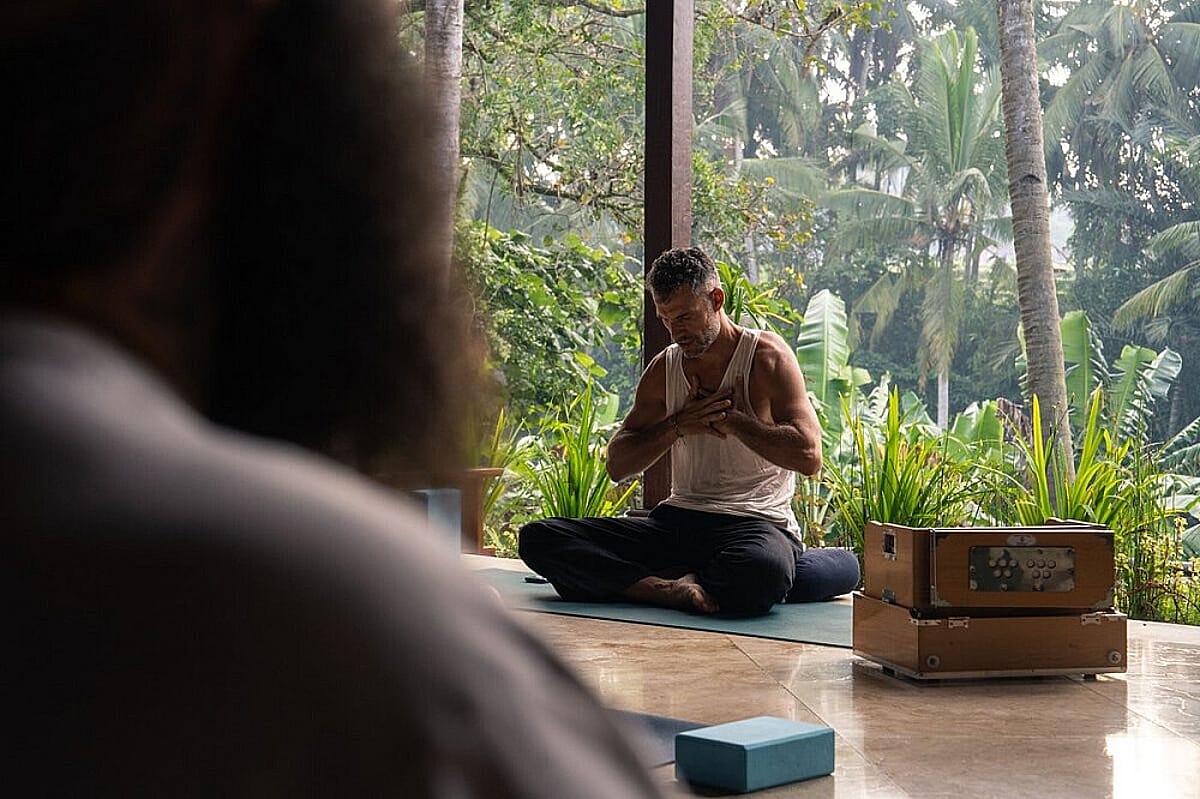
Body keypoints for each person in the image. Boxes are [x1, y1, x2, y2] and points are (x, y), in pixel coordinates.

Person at [2, 2, 665, 797]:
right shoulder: (366, 632)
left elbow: (791, 449)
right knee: (547, 538)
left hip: (740, 533)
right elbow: (622, 462)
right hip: (669, 534)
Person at [519, 247, 860, 617]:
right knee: (539, 538)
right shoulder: (663, 369)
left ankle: (669, 577)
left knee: (765, 570)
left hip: (755, 525)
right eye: (666, 319)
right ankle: (665, 589)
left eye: (685, 317)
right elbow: (617, 465)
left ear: (716, 300)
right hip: (678, 523)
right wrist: (679, 425)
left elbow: (809, 457)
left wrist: (734, 421)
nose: (675, 331)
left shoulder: (766, 357)